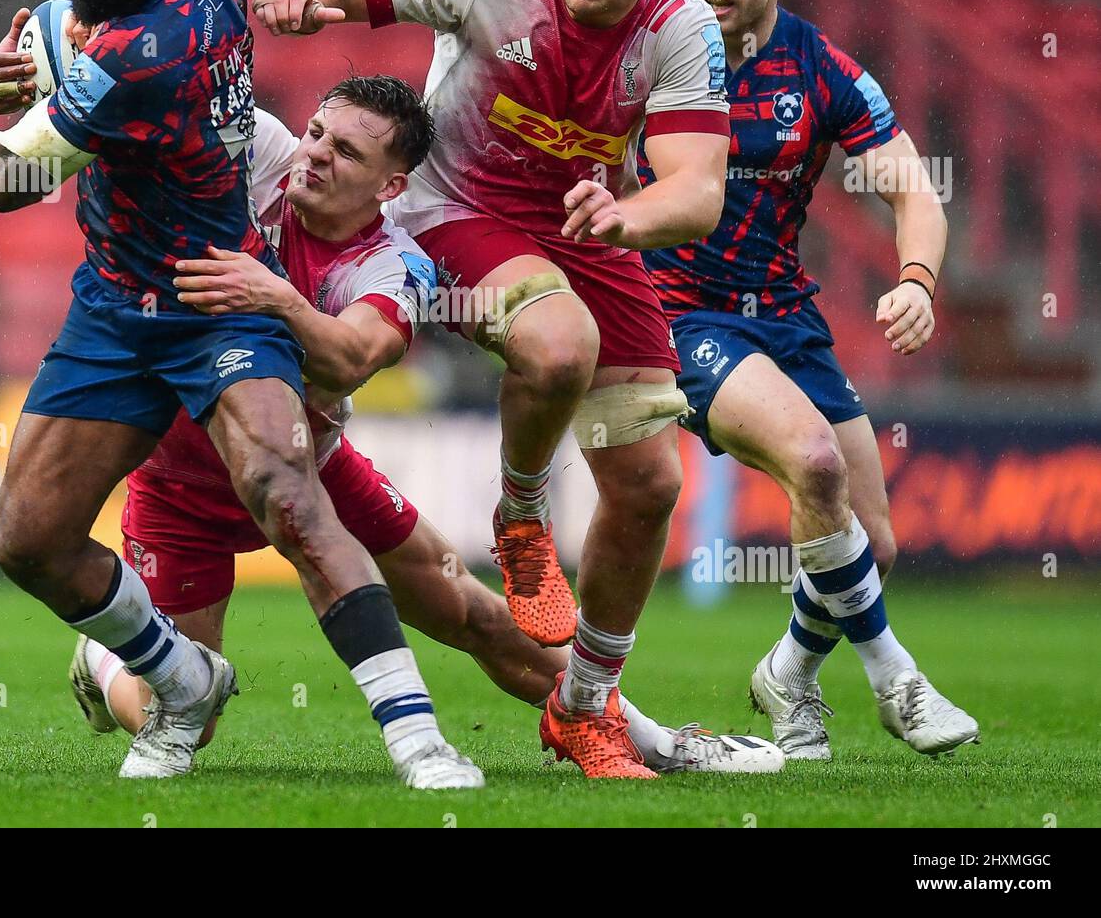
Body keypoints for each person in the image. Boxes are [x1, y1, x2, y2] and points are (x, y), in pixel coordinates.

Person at [0, 0, 481, 789]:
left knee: (291, 496)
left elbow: (3, 178)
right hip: (114, 309)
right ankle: (182, 678)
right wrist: (44, 75)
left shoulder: (145, 56)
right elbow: (99, 53)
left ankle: (420, 742)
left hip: (216, 296)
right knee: (27, 541)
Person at [67, 83, 783, 776]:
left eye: (346, 151)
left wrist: (276, 299)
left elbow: (349, 359)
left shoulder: (396, 262)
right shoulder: (260, 155)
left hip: (311, 468)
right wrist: (46, 84)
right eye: (317, 132)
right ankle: (104, 656)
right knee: (189, 718)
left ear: (390, 187)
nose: (314, 155)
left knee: (481, 620)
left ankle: (658, 743)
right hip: (183, 480)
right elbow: (151, 100)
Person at [251, 0, 731, 778]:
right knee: (560, 348)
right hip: (457, 212)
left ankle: (584, 710)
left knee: (648, 488)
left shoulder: (682, 28)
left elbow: (698, 191)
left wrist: (628, 218)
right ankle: (521, 516)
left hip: (595, 225)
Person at [638, 0, 978, 758]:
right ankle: (897, 678)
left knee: (877, 542)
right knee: (814, 461)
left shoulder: (818, 67)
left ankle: (787, 674)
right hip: (681, 314)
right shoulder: (644, 51)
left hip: (787, 317)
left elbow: (914, 191)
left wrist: (915, 281)